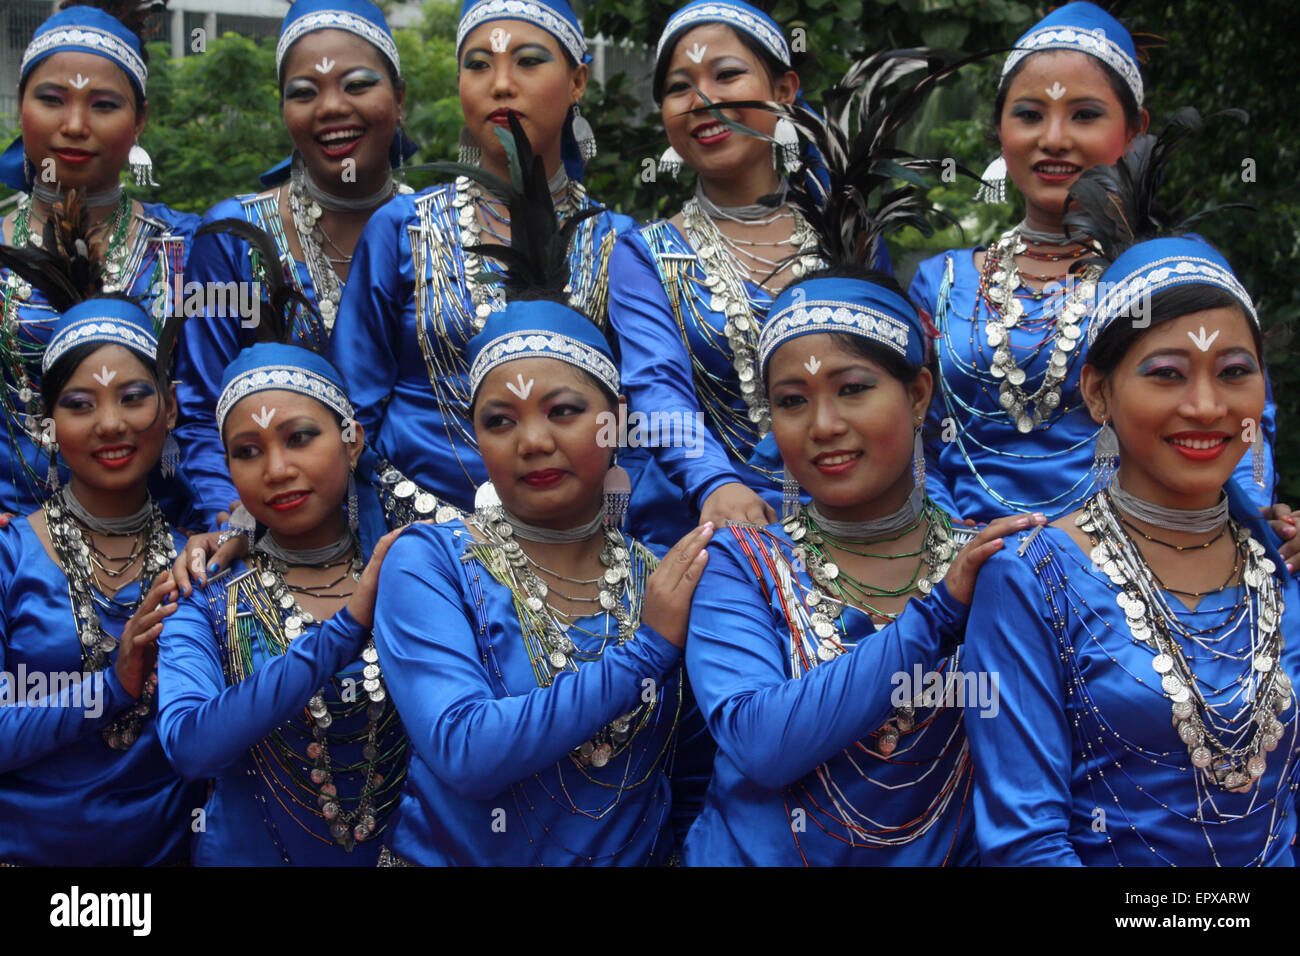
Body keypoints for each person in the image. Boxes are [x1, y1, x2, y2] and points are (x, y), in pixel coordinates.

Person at [680, 51, 1040, 866]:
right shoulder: (742, 563)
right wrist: (935, 615)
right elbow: (762, 743)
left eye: (851, 389)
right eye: (792, 400)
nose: (823, 425)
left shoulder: (993, 566)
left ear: (917, 397)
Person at [371, 117, 712, 865]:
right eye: (500, 419)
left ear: (616, 424)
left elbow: (690, 784)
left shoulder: (665, 579)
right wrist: (644, 652)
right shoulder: (430, 563)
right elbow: (465, 750)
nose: (532, 441)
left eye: (563, 411)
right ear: (475, 438)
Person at [964, 119, 1300, 865]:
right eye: (1166, 374)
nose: (1207, 407)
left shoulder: (1282, 568)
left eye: (1234, 372)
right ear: (1098, 392)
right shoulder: (1032, 578)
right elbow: (1026, 844)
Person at [908, 1, 1278, 527]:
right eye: (1030, 114)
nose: (1054, 138)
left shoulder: (1176, 272)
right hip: (966, 567)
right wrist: (955, 544)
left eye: (1084, 115)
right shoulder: (943, 283)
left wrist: (1255, 520)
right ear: (999, 131)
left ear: (1134, 130)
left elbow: (1245, 421)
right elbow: (914, 435)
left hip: (1136, 571)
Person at [329, 0, 634, 531]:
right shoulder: (403, 229)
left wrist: (608, 523)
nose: (501, 84)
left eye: (529, 61)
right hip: (414, 533)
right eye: (478, 65)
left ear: (579, 80)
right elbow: (354, 412)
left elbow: (642, 418)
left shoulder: (620, 244)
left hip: (582, 544)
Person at [608, 0, 889, 552]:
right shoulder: (645, 255)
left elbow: (890, 377)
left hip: (860, 515)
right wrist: (716, 481)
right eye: (679, 86)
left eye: (727, 74)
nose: (703, 100)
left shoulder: (847, 230)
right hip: (717, 525)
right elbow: (657, 389)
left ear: (785, 90)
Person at [157, 321, 413, 865]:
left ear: (353, 441)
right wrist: (344, 630)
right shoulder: (207, 595)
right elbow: (189, 747)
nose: (276, 470)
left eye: (299, 438)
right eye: (248, 451)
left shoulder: (413, 571)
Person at [0, 226, 201, 864]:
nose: (111, 424)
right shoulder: (10, 555)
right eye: (81, 404)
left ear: (168, 408)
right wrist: (109, 687)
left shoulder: (197, 564)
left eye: (133, 397)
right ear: (48, 424)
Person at [173, 0, 414, 532]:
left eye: (356, 85)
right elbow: (200, 411)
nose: (330, 107)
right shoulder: (233, 240)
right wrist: (230, 527)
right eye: (303, 93)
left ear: (399, 100)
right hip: (272, 538)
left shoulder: (440, 231)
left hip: (427, 534)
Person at [0, 0, 199, 520]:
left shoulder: (191, 249)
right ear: (20, 105)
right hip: (15, 551)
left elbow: (210, 407)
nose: (74, 125)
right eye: (51, 99)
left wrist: (222, 522)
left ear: (140, 120)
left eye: (104, 104)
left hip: (175, 546)